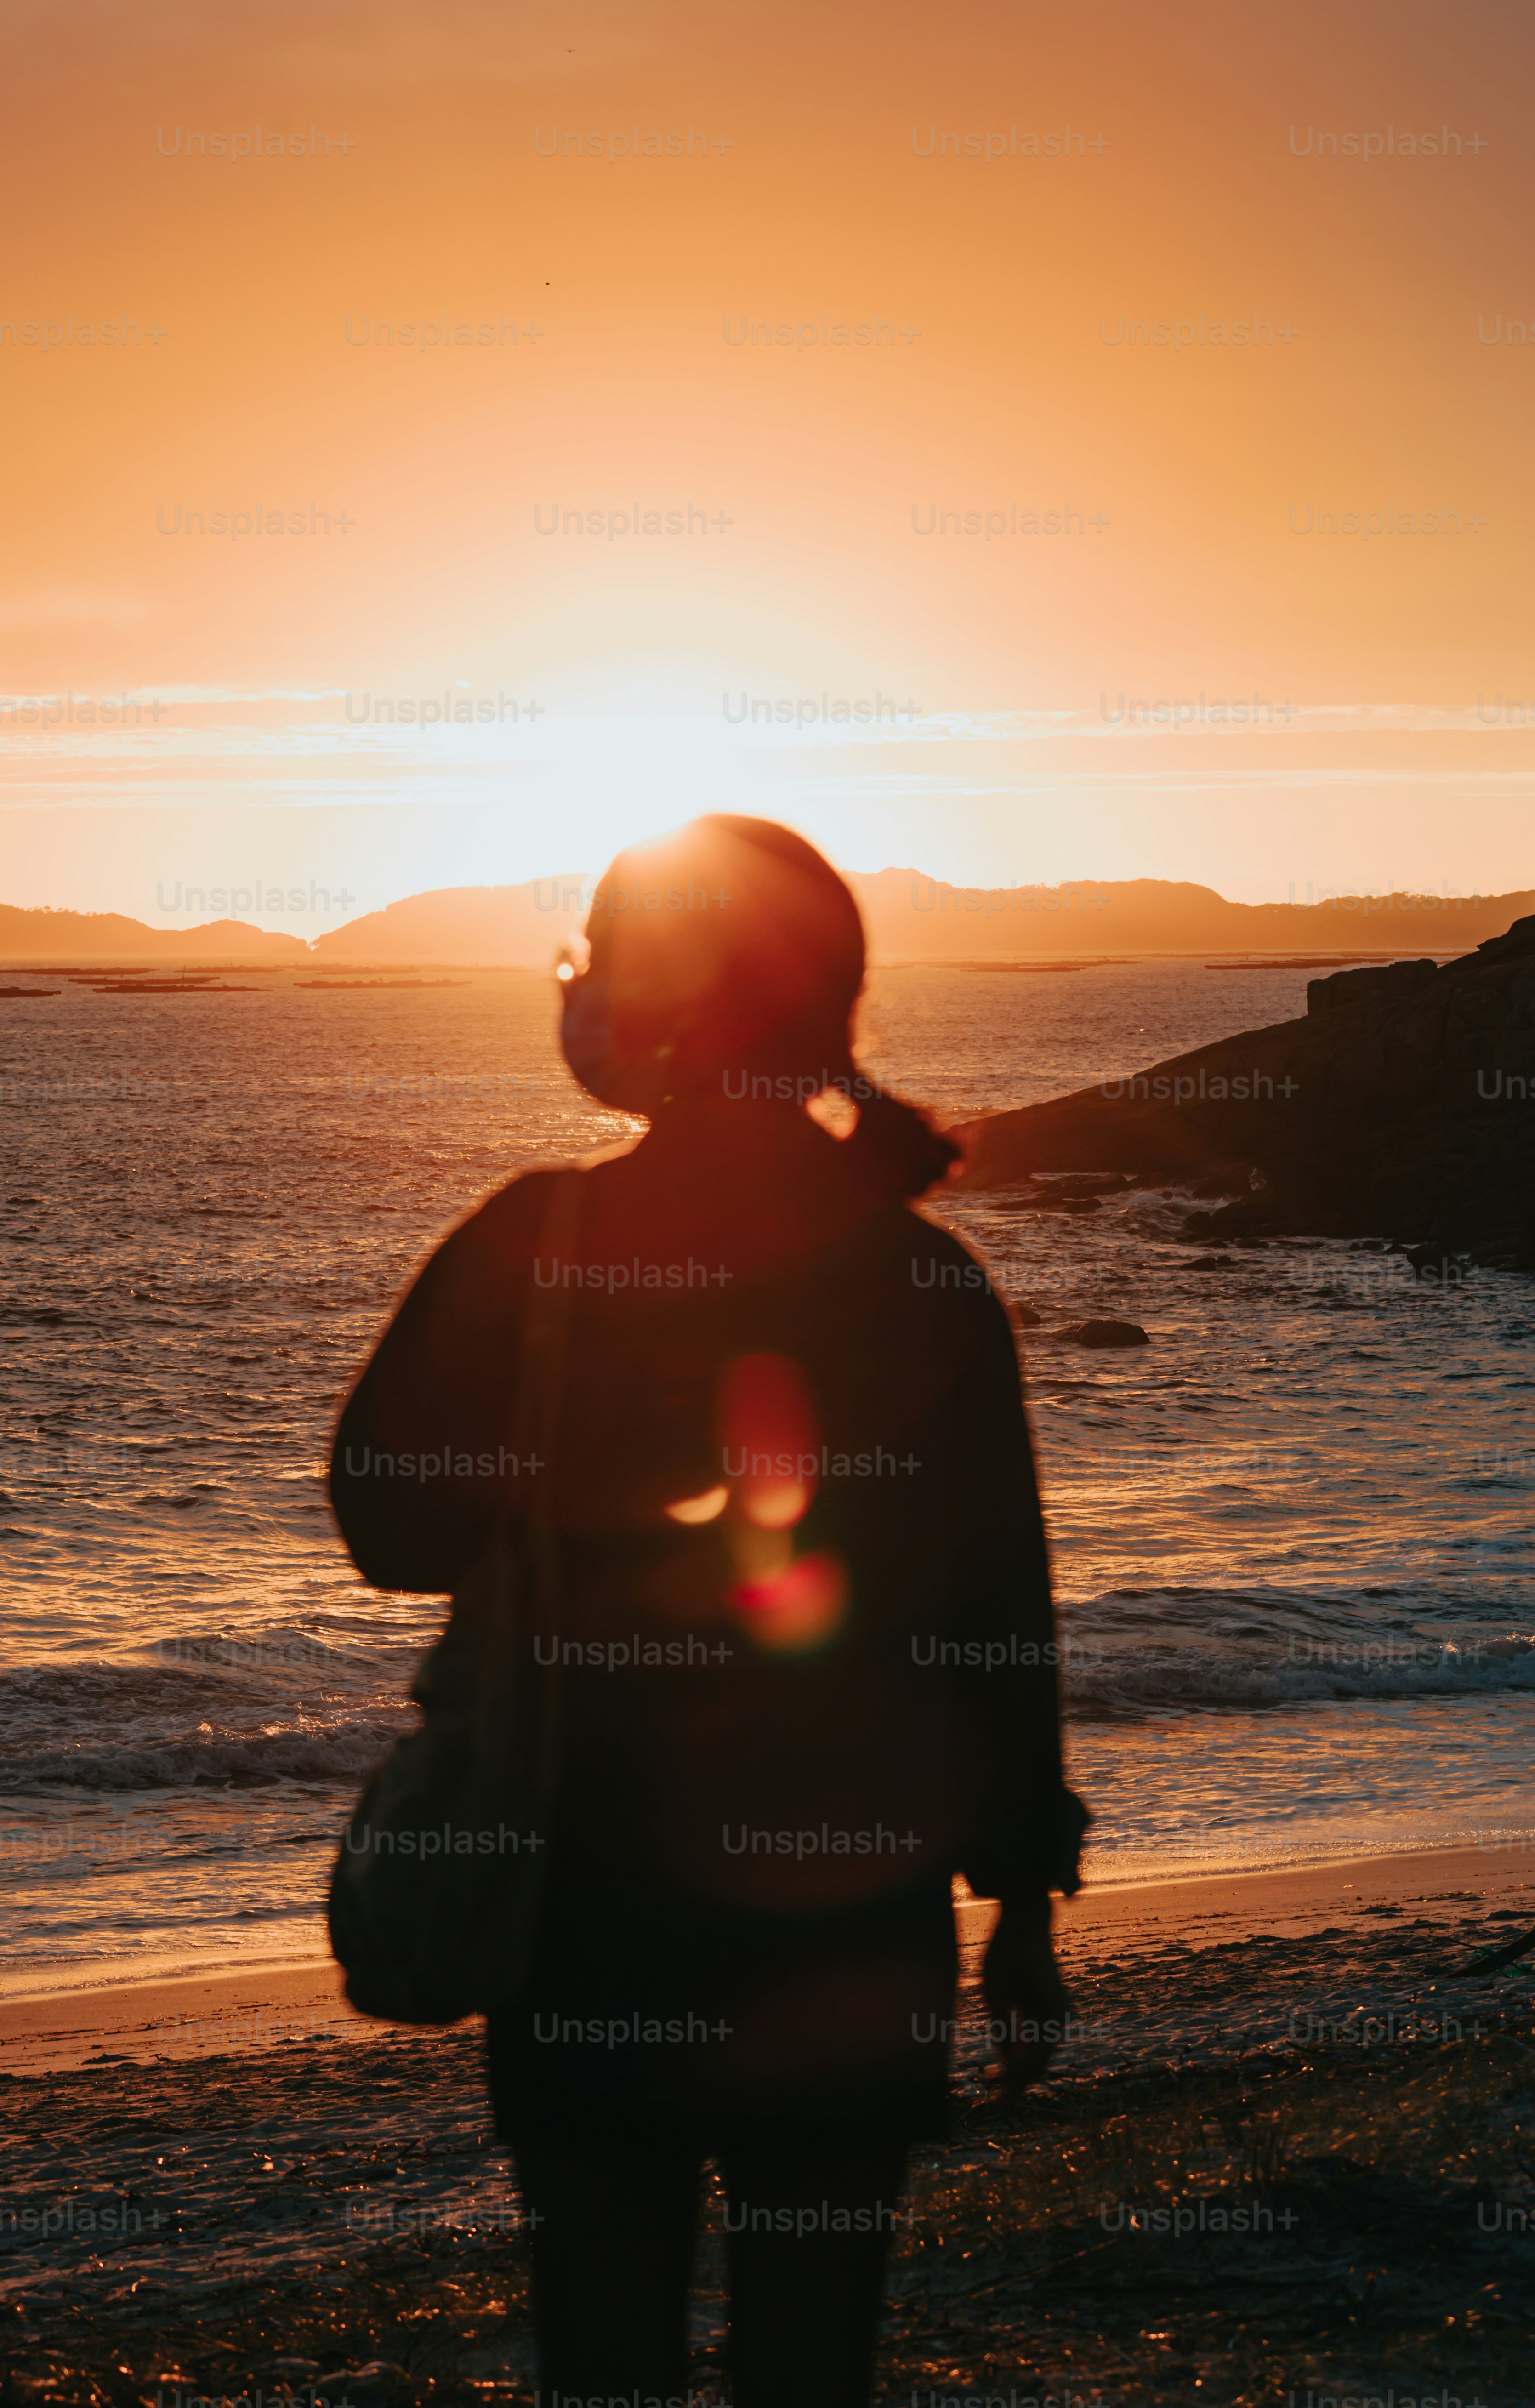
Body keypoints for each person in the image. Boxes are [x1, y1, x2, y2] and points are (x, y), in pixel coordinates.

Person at [330, 814, 1087, 2408]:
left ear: (648, 1009)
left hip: (592, 1903)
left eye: (594, 963)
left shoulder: (539, 1243)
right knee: (814, 2364)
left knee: (604, 2353)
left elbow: (386, 1524)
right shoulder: (925, 1280)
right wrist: (1017, 1909)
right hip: (856, 1927)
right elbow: (997, 1621)